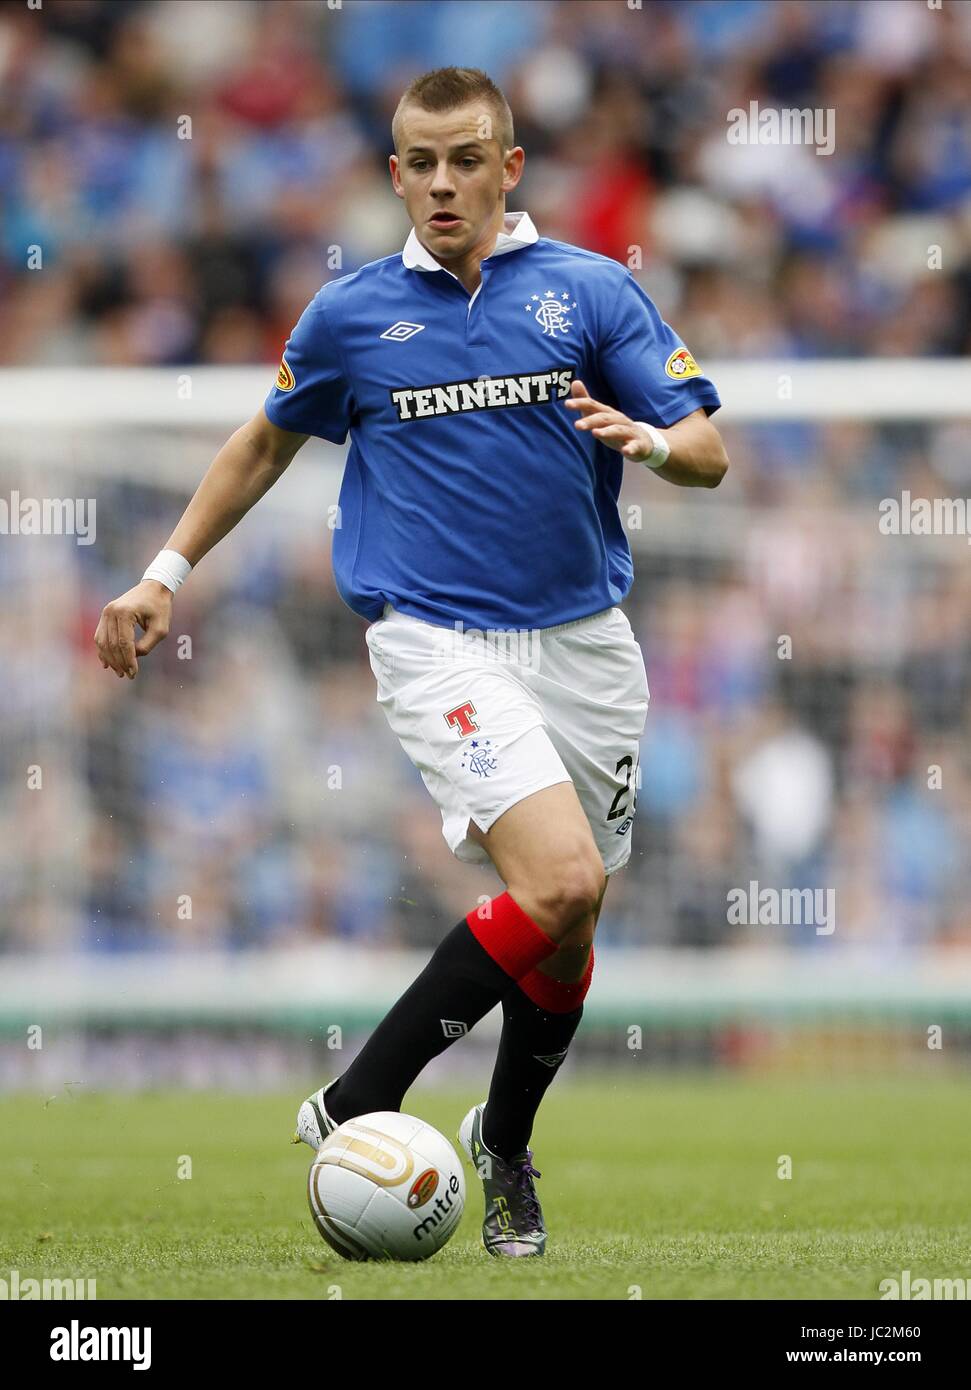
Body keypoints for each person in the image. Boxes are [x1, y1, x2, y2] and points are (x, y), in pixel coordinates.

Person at [94, 66, 728, 1259]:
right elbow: (258, 446)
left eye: (465, 160)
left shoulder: (589, 292)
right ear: (395, 174)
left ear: (508, 168)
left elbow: (706, 449)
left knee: (570, 927)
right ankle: (358, 1097)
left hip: (585, 645)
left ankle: (504, 1144)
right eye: (419, 164)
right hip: (435, 640)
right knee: (559, 885)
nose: (442, 184)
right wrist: (161, 573)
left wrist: (650, 440)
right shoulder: (351, 316)